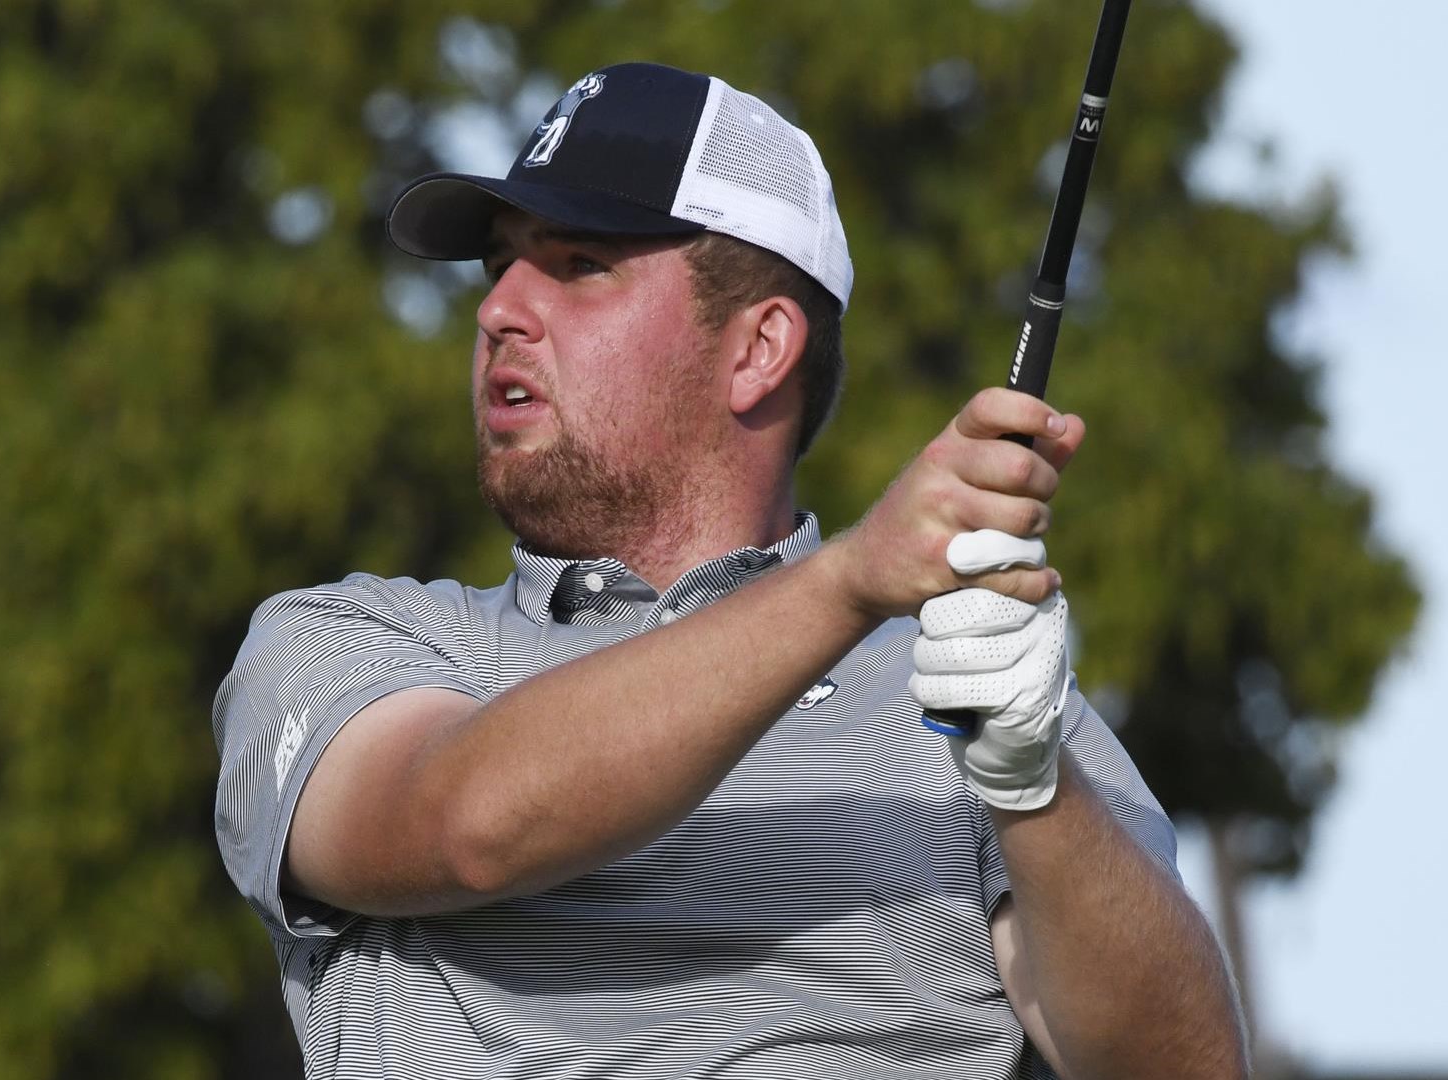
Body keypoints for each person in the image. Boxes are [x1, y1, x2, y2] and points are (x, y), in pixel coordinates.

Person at [213, 62, 1247, 1079]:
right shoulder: (349, 643)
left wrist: (1031, 791)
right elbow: (462, 826)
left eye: (578, 264)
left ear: (759, 350)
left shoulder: (977, 701)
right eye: (498, 268)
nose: (500, 311)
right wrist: (847, 583)